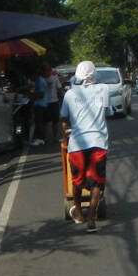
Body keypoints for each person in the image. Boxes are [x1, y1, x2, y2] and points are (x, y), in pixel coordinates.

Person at [61, 60, 110, 230]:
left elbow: (65, 118)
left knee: (77, 181)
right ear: (94, 73)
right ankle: (91, 218)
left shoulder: (70, 94)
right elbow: (106, 111)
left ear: (78, 75)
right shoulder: (104, 89)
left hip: (78, 144)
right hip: (98, 142)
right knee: (97, 182)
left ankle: (79, 214)